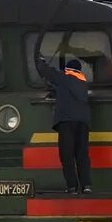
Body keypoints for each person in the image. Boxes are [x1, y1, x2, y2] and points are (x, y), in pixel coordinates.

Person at [36, 56, 92, 193]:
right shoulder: (83, 84)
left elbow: (46, 71)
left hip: (66, 121)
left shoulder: (63, 78)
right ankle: (86, 186)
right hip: (83, 122)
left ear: (68, 69)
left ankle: (72, 186)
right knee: (82, 155)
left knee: (67, 154)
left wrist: (41, 60)